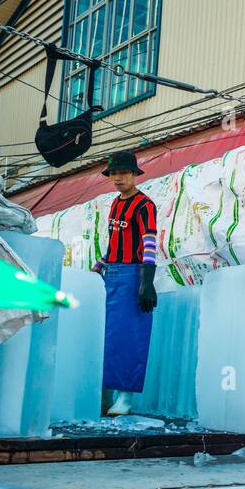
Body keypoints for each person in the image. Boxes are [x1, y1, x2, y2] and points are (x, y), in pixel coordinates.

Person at [93, 151, 158, 416]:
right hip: (113, 274)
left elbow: (149, 241)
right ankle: (106, 393)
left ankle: (126, 398)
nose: (118, 178)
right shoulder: (115, 204)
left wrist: (147, 281)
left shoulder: (144, 205)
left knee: (131, 336)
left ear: (134, 175)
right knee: (109, 336)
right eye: (114, 174)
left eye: (123, 173)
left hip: (135, 274)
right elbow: (114, 242)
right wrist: (99, 264)